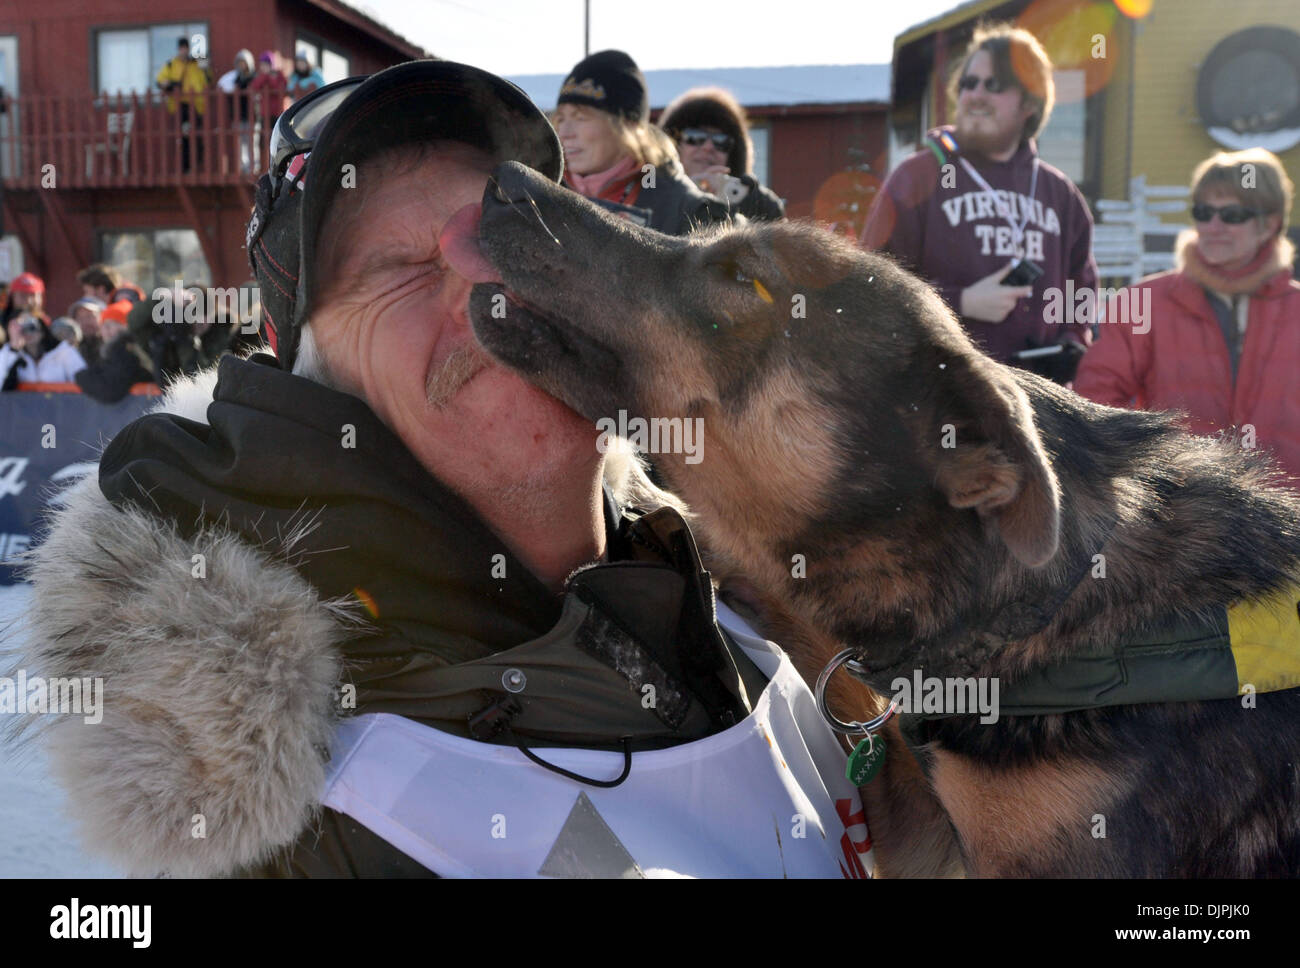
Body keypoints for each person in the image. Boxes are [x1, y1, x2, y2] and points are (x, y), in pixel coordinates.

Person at [15, 61, 873, 879]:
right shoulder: (336, 821)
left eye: (515, 232)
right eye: (401, 267)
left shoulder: (761, 602)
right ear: (313, 390)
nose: (486, 282)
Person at [861, 23, 1096, 384]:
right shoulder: (919, 177)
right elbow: (871, 287)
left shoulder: (1060, 194)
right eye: (969, 83)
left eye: (995, 84)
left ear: (1030, 103)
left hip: (1039, 404)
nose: (976, 94)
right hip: (941, 400)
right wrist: (962, 301)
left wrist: (1069, 346)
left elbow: (1080, 297)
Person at [1075, 147, 1300, 484]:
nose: (1213, 226)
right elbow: (1095, 405)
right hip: (1181, 522)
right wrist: (1145, 482)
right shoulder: (1143, 302)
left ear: (1269, 224)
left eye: (1232, 215)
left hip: (1287, 522)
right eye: (1203, 211)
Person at [552, 50, 730, 235]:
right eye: (561, 119)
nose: (564, 133)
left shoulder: (685, 211)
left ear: (628, 125)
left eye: (580, 118)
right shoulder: (543, 190)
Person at [658, 86, 785, 222]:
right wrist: (687, 194)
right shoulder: (651, 194)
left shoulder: (749, 199)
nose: (708, 147)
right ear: (674, 146)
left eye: (721, 141)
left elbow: (777, 226)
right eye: (695, 137)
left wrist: (746, 199)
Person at [155, 37, 212, 172]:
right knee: (184, 136)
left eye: (185, 48)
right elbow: (159, 81)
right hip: (180, 106)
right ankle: (186, 167)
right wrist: (172, 84)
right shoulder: (172, 64)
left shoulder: (196, 65)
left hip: (197, 106)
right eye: (181, 49)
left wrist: (204, 66)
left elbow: (208, 81)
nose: (183, 51)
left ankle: (196, 164)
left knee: (197, 135)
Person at [218, 49, 257, 172]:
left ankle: (253, 168)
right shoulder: (235, 79)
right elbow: (223, 85)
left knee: (252, 142)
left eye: (243, 62)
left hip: (252, 116)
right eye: (239, 63)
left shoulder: (254, 78)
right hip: (238, 116)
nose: (242, 65)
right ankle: (244, 169)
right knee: (241, 144)